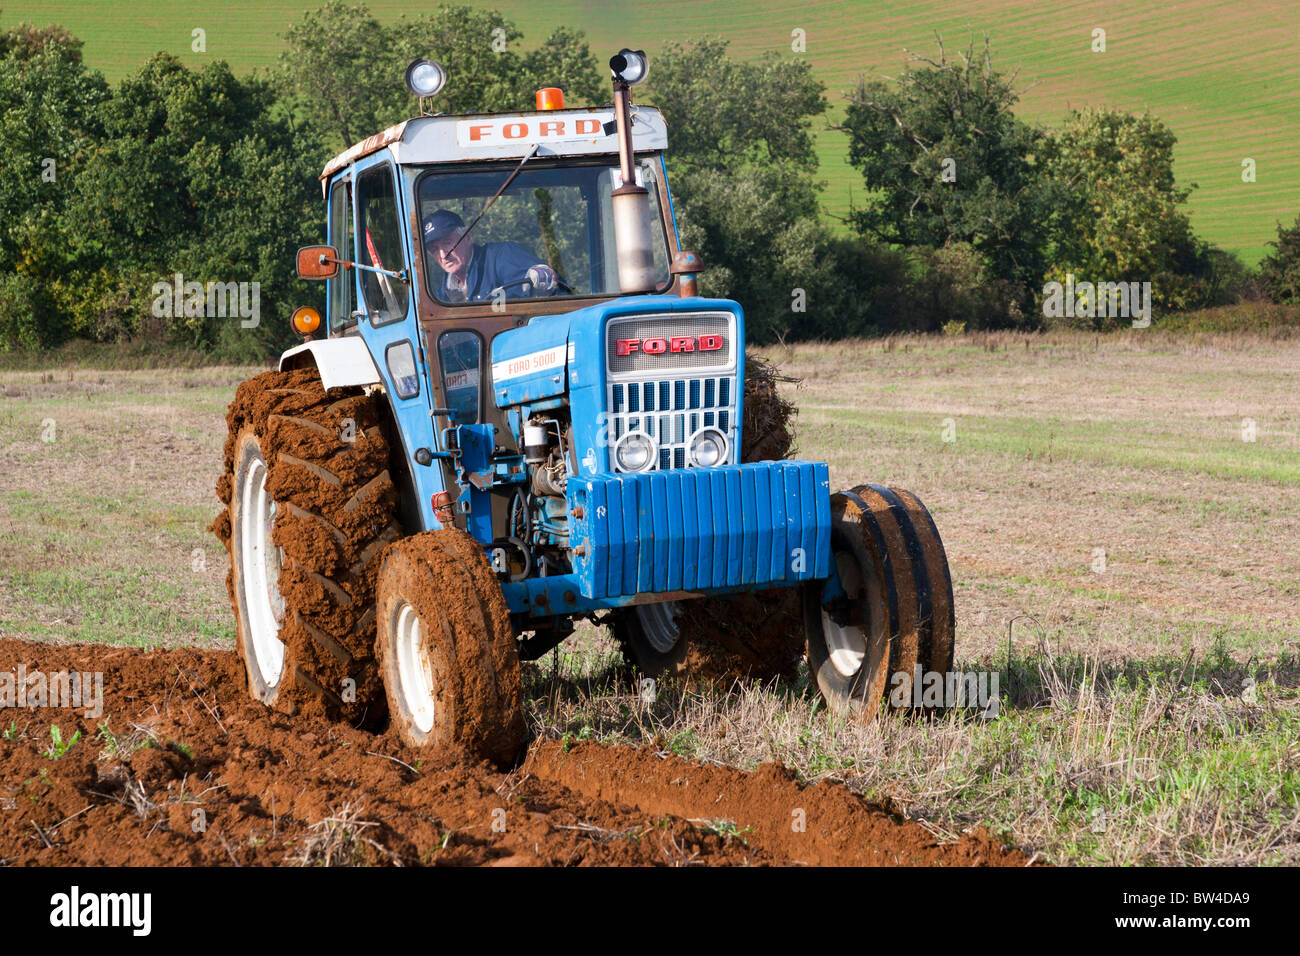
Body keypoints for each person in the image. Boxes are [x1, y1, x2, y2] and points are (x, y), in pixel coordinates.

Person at [422, 209, 559, 302]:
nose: (443, 255)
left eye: (447, 243)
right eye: (434, 249)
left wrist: (541, 277)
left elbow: (551, 286)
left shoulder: (501, 257)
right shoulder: (441, 296)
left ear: (467, 237)